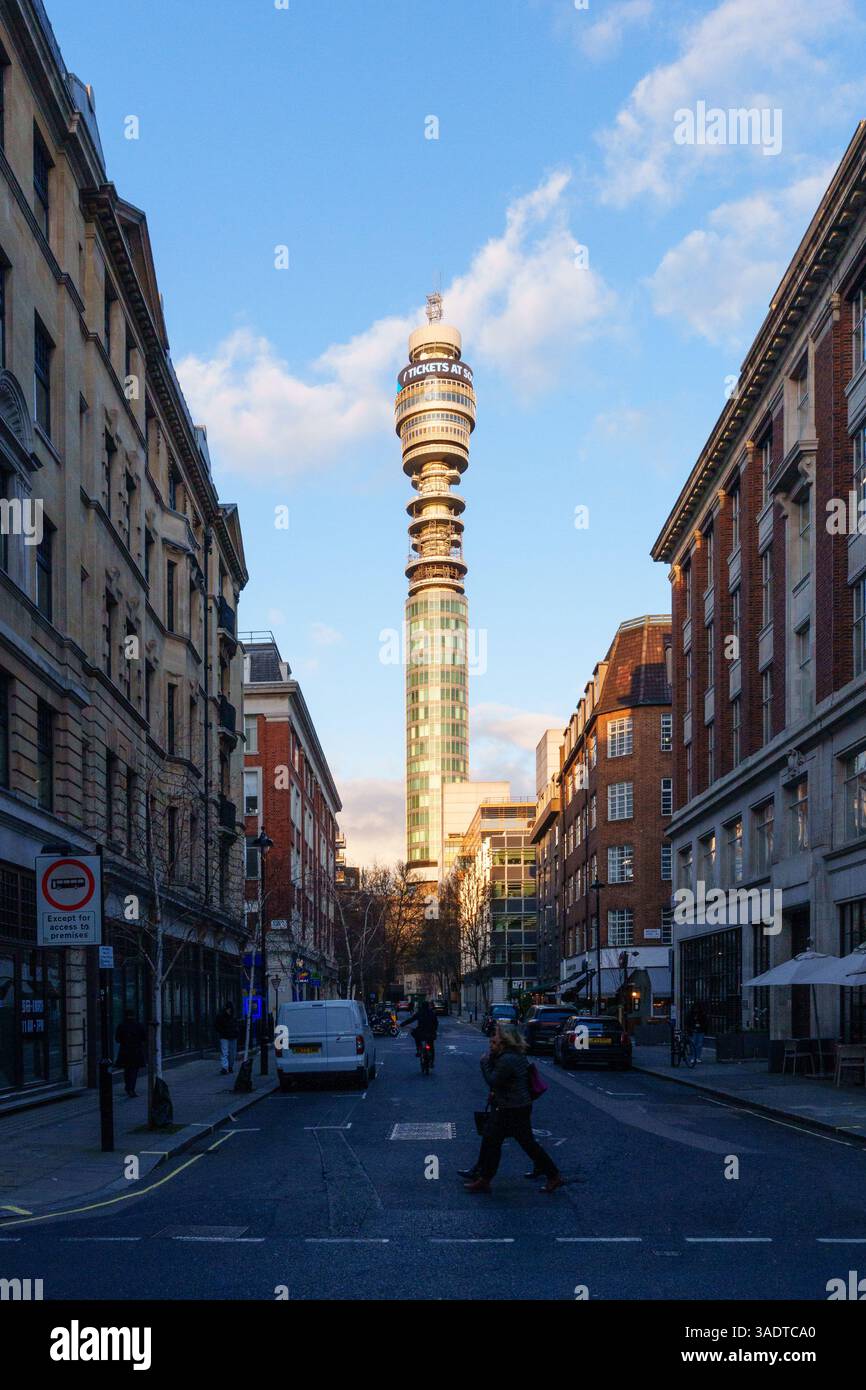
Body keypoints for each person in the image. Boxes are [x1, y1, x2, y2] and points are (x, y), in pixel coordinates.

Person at [462, 1022, 562, 1194]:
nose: (493, 1037)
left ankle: (554, 1176)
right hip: (511, 1105)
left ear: (505, 1040)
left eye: (497, 1035)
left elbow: (493, 1080)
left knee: (526, 1144)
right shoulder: (511, 1055)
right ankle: (484, 1179)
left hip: (513, 1108)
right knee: (493, 1141)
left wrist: (484, 1063)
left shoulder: (508, 1059)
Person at [114, 1010, 147, 1099]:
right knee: (134, 1071)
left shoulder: (122, 1025)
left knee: (127, 1070)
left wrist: (124, 1041)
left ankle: (128, 1087)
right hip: (136, 1051)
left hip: (125, 1051)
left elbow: (117, 1039)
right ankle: (131, 1088)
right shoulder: (139, 1025)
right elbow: (144, 1038)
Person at [215, 1001, 240, 1075]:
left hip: (229, 1036)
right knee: (226, 1052)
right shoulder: (224, 1016)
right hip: (226, 1036)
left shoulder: (226, 1016)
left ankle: (228, 1067)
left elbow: (216, 1025)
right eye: (228, 1009)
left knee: (230, 1053)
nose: (229, 1010)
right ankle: (225, 1067)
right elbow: (216, 1025)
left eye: (229, 1009)